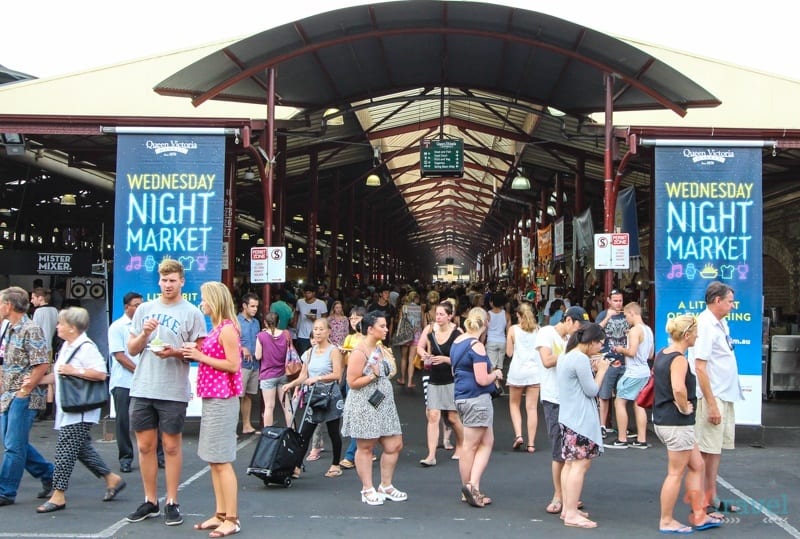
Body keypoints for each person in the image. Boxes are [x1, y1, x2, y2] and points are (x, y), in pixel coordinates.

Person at [125, 259, 207, 526]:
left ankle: (172, 500)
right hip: (143, 386)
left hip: (173, 389)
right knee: (145, 445)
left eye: (173, 280)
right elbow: (133, 349)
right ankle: (150, 500)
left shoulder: (192, 313)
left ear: (182, 281)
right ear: (158, 281)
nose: (168, 284)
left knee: (171, 446)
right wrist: (145, 334)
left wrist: (174, 352)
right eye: (164, 280)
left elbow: (199, 352)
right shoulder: (145, 310)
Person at [34, 307, 126, 513]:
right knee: (80, 449)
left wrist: (76, 370)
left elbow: (101, 373)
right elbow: (59, 375)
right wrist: (36, 381)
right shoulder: (67, 346)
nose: (57, 326)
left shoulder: (86, 347)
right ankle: (112, 479)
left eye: (61, 323)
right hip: (70, 408)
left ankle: (58, 494)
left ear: (73, 328)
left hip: (81, 410)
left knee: (65, 450)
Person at [182, 281, 243, 538]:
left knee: (221, 459)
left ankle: (232, 518)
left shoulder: (227, 329)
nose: (201, 303)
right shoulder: (219, 327)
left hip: (223, 398)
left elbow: (233, 365)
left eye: (204, 299)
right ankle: (220, 514)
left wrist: (199, 356)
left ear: (215, 301)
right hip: (213, 396)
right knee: (214, 459)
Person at [654, 314, 722, 533]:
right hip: (676, 423)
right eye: (695, 332)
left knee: (697, 465)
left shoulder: (662, 353)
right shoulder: (679, 359)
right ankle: (666, 520)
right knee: (675, 473)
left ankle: (699, 514)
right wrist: (683, 407)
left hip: (669, 421)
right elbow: (678, 388)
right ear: (687, 335)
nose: (698, 336)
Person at [341, 311, 406, 505]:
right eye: (382, 326)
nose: (386, 329)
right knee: (366, 447)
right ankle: (367, 489)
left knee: (394, 444)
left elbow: (390, 370)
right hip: (364, 404)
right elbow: (351, 381)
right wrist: (373, 376)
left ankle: (385, 485)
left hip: (383, 403)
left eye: (386, 326)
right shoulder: (359, 352)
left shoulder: (380, 348)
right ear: (370, 329)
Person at [0, 286, 55, 507]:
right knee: (14, 441)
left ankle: (6, 491)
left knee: (13, 444)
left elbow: (42, 363)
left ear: (9, 305)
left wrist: (26, 389)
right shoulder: (8, 328)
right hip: (8, 393)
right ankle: (50, 474)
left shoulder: (30, 329)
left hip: (24, 395)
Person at [693, 281, 743, 515]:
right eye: (730, 301)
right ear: (717, 301)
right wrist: (712, 404)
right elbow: (700, 367)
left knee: (715, 450)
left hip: (723, 393)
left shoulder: (721, 324)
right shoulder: (705, 325)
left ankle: (710, 497)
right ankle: (702, 502)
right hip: (713, 396)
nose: (733, 306)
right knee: (706, 450)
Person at [557, 322, 610, 529]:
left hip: (568, 417)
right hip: (580, 420)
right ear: (591, 341)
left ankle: (566, 508)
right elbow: (592, 390)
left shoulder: (567, 356)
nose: (601, 348)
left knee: (570, 464)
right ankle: (571, 513)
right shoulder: (579, 358)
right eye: (600, 344)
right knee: (579, 465)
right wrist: (602, 370)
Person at [449, 307, 503, 508]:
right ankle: (470, 486)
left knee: (486, 440)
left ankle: (472, 488)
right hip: (477, 399)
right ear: (485, 323)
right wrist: (496, 374)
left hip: (462, 397)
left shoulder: (457, 341)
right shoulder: (477, 346)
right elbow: (482, 379)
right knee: (471, 445)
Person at [537, 305, 588, 516]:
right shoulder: (546, 333)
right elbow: (547, 361)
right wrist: (571, 354)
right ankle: (558, 496)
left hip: (570, 398)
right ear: (568, 320)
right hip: (553, 398)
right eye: (578, 326)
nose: (578, 331)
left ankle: (569, 495)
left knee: (572, 451)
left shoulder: (570, 340)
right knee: (559, 450)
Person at [284, 318, 345, 479]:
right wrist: (291, 385)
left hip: (330, 395)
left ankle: (335, 464)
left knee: (333, 432)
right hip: (313, 396)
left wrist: (318, 379)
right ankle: (297, 466)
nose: (317, 332)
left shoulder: (334, 351)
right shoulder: (309, 353)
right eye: (315, 329)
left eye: (321, 329)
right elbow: (304, 376)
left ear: (328, 331)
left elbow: (337, 374)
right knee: (304, 433)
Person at [417, 301, 464, 466]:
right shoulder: (429, 329)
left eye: (442, 314)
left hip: (451, 378)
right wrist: (424, 355)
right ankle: (431, 455)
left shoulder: (458, 332)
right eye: (436, 314)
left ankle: (462, 445)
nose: (438, 317)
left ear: (450, 316)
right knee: (433, 415)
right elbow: (419, 347)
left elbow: (463, 358)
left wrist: (445, 359)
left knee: (452, 417)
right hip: (434, 377)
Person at [605, 301, 654, 449]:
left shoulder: (634, 331)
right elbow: (650, 354)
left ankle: (622, 438)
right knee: (639, 404)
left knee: (619, 402)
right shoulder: (648, 330)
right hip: (644, 370)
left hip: (633, 372)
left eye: (626, 316)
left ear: (632, 313)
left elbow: (631, 352)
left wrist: (620, 349)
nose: (626, 319)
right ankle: (641, 439)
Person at [108, 291, 145, 473]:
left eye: (141, 305)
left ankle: (159, 455)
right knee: (123, 420)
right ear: (126, 307)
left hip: (145, 382)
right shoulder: (117, 326)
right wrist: (139, 371)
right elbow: (119, 355)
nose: (139, 308)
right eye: (136, 305)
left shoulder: (146, 326)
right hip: (123, 381)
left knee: (152, 418)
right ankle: (125, 457)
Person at [505, 302, 542, 453]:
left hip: (517, 371)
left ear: (518, 316)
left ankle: (519, 435)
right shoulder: (538, 330)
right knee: (532, 408)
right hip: (534, 372)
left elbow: (509, 353)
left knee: (514, 405)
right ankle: (531, 444)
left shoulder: (513, 329)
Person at [596, 289, 629, 438]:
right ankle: (602, 425)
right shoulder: (603, 315)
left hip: (624, 360)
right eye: (615, 300)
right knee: (604, 395)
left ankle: (621, 426)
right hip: (608, 360)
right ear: (609, 300)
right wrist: (607, 317)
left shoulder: (626, 315)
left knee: (622, 396)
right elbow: (595, 331)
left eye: (620, 300)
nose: (618, 303)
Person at [255, 312, 292, 429]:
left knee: (269, 406)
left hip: (267, 374)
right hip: (283, 373)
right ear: (278, 322)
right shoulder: (286, 334)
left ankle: (268, 434)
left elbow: (258, 356)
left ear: (265, 323)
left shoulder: (261, 336)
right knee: (287, 406)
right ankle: (292, 431)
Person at [31, 287, 59, 420]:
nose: (31, 301)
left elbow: (34, 331)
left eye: (33, 298)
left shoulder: (38, 312)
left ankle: (39, 409)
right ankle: (50, 408)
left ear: (40, 298)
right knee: (51, 379)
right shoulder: (54, 311)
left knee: (39, 378)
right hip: (51, 347)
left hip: (40, 348)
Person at [237, 293, 261, 436]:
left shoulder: (256, 322)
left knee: (248, 395)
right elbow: (228, 340)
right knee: (236, 397)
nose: (255, 309)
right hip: (241, 364)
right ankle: (231, 428)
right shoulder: (236, 321)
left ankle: (247, 424)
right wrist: (241, 347)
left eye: (256, 306)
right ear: (244, 306)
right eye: (252, 306)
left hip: (254, 363)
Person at [293, 284, 328, 355]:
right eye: (305, 293)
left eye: (308, 293)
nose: (306, 295)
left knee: (317, 354)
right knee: (303, 355)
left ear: (313, 293)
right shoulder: (300, 302)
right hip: (302, 334)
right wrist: (295, 324)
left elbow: (324, 319)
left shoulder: (321, 303)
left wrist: (315, 320)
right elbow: (296, 313)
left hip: (316, 333)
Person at [397, 290, 423, 389]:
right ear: (416, 298)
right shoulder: (420, 308)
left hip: (405, 335)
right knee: (411, 358)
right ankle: (410, 382)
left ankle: (403, 379)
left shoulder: (404, 308)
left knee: (403, 358)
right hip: (416, 335)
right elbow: (422, 323)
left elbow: (400, 322)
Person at [485, 292, 510, 370]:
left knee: (492, 366)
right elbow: (509, 332)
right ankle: (498, 380)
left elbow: (484, 330)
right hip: (502, 342)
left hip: (491, 341)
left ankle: (496, 382)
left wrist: (482, 341)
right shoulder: (507, 314)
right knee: (500, 366)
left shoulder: (487, 314)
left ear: (492, 302)